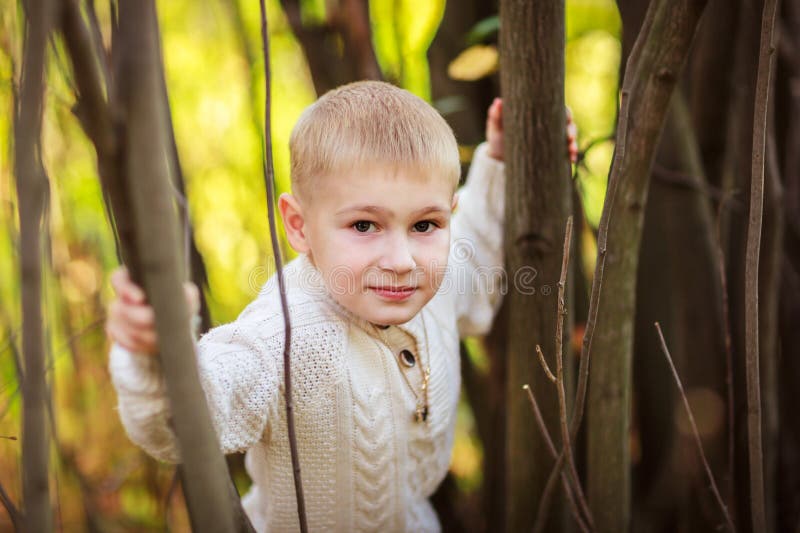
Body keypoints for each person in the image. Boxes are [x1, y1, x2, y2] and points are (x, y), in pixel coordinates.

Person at [106, 81, 577, 532]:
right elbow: (188, 420)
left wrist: (503, 161)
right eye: (365, 226)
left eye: (424, 225)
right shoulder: (288, 333)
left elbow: (475, 245)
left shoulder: (436, 281)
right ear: (299, 225)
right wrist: (155, 355)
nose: (401, 261)